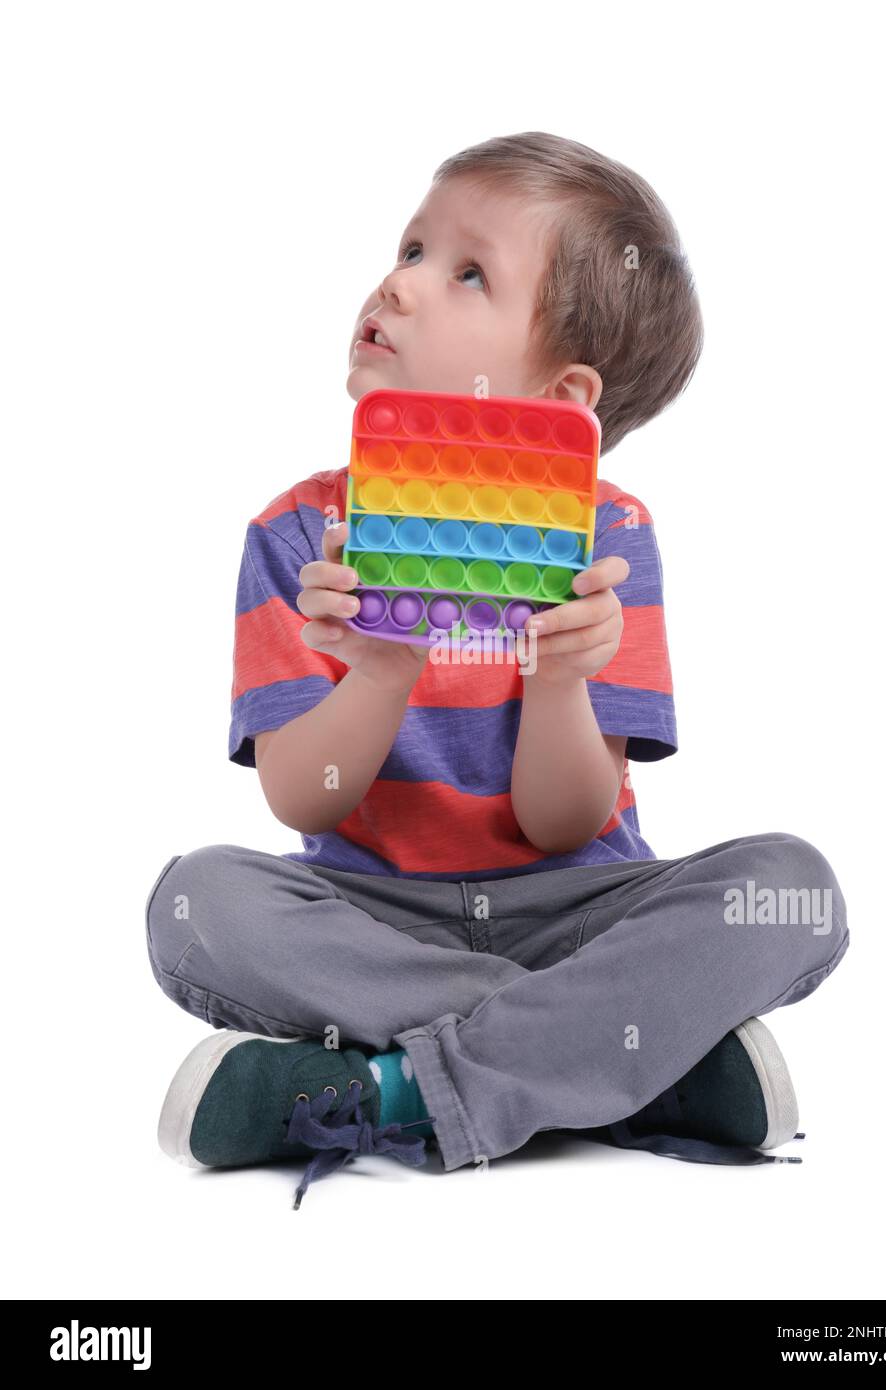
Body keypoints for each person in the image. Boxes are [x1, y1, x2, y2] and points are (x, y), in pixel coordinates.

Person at [146, 132, 849, 1209]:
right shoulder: (295, 534)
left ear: (564, 394)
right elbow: (298, 795)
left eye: (466, 271)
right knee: (198, 902)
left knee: (793, 892)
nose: (400, 280)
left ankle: (393, 1088)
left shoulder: (613, 539)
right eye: (413, 246)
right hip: (373, 917)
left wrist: (562, 680)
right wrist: (377, 675)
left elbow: (564, 825)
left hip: (576, 902)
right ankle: (625, 1064)